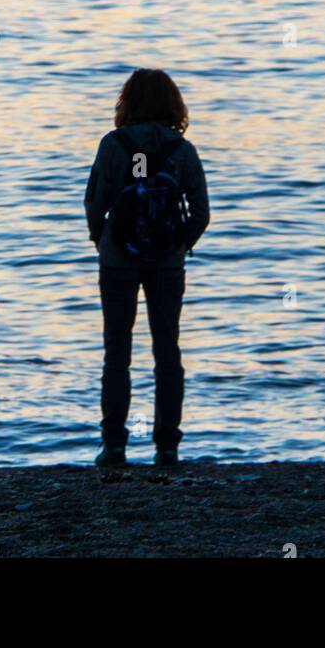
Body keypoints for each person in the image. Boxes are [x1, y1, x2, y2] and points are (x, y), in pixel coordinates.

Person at [85, 68, 209, 467]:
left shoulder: (114, 145)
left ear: (127, 102)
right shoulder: (182, 150)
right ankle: (167, 446)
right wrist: (178, 243)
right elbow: (201, 213)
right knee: (167, 351)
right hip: (167, 263)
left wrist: (104, 240)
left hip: (118, 261)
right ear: (174, 104)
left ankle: (114, 446)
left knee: (116, 353)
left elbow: (94, 203)